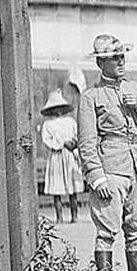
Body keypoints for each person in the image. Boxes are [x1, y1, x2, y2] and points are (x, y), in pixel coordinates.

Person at [77, 34, 137, 271]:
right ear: (101, 63)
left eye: (122, 56)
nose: (121, 62)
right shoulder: (91, 97)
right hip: (111, 169)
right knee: (106, 232)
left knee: (136, 232)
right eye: (114, 58)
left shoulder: (134, 88)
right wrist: (96, 177)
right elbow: (87, 141)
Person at [41, 88, 85, 225]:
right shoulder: (47, 125)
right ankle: (59, 217)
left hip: (70, 156)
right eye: (55, 108)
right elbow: (46, 140)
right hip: (56, 156)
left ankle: (74, 216)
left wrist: (73, 144)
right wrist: (60, 144)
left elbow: (78, 136)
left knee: (73, 189)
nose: (58, 111)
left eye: (60, 107)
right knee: (56, 188)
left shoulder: (70, 122)